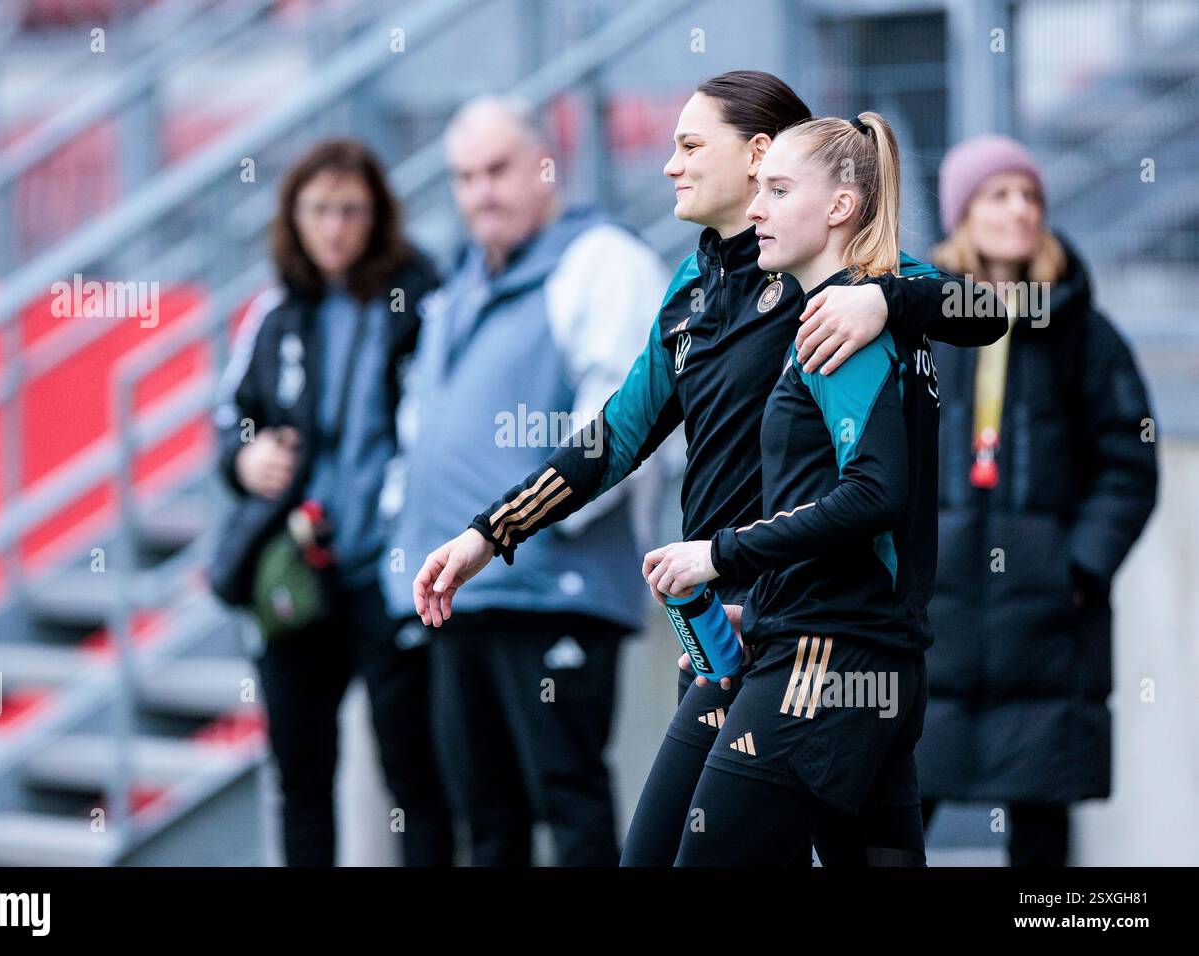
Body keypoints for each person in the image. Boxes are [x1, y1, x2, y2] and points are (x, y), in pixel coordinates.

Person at [411, 71, 1006, 865]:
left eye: (691, 145)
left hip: (823, 628)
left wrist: (888, 301)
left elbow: (986, 311)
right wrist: (491, 534)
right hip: (739, 628)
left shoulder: (833, 273)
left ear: (758, 156)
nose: (670, 164)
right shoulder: (695, 287)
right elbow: (613, 439)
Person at [637, 111, 939, 866]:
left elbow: (874, 496)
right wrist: (761, 601)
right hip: (836, 645)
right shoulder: (846, 311)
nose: (758, 207)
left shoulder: (845, 324)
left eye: (777, 189)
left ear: (840, 207)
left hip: (827, 658)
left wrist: (721, 554)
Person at [379, 95, 669, 866]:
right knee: (486, 815)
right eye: (464, 176)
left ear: (547, 165)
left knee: (565, 799)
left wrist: (532, 529)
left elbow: (618, 427)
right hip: (462, 594)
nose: (480, 191)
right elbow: (423, 428)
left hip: (553, 591)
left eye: (498, 169)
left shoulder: (601, 260)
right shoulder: (460, 283)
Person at [916, 135, 1158, 866]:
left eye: (1031, 196)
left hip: (1049, 628)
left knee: (1042, 841)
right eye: (998, 194)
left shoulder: (1084, 331)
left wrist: (1076, 569)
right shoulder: (920, 319)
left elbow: (1130, 462)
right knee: (892, 817)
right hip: (937, 620)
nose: (1020, 210)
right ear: (963, 213)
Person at [210, 139, 452, 866]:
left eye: (351, 209)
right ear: (294, 217)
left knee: (416, 776)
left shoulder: (425, 296)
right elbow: (232, 417)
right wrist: (244, 455)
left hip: (394, 572)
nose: (335, 227)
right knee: (301, 776)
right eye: (319, 210)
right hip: (300, 569)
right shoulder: (277, 310)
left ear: (376, 216)